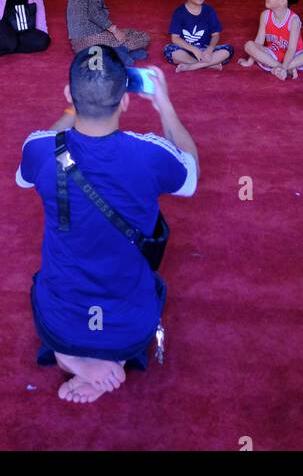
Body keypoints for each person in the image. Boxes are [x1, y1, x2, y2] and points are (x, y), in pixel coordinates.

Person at [16, 47, 198, 404]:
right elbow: (190, 172)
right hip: (130, 327)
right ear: (126, 102)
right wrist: (164, 105)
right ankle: (113, 355)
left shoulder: (38, 149)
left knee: (48, 288)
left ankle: (70, 356)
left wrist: (71, 111)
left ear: (69, 95)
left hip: (61, 322)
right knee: (143, 289)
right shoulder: (152, 153)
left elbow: (29, 167)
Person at [164, 0, 233, 71]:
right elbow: (175, 38)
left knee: (228, 49)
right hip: (187, 50)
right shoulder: (179, 12)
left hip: (206, 50)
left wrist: (209, 49)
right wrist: (193, 49)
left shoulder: (209, 11)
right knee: (168, 50)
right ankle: (210, 64)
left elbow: (215, 35)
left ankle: (192, 67)